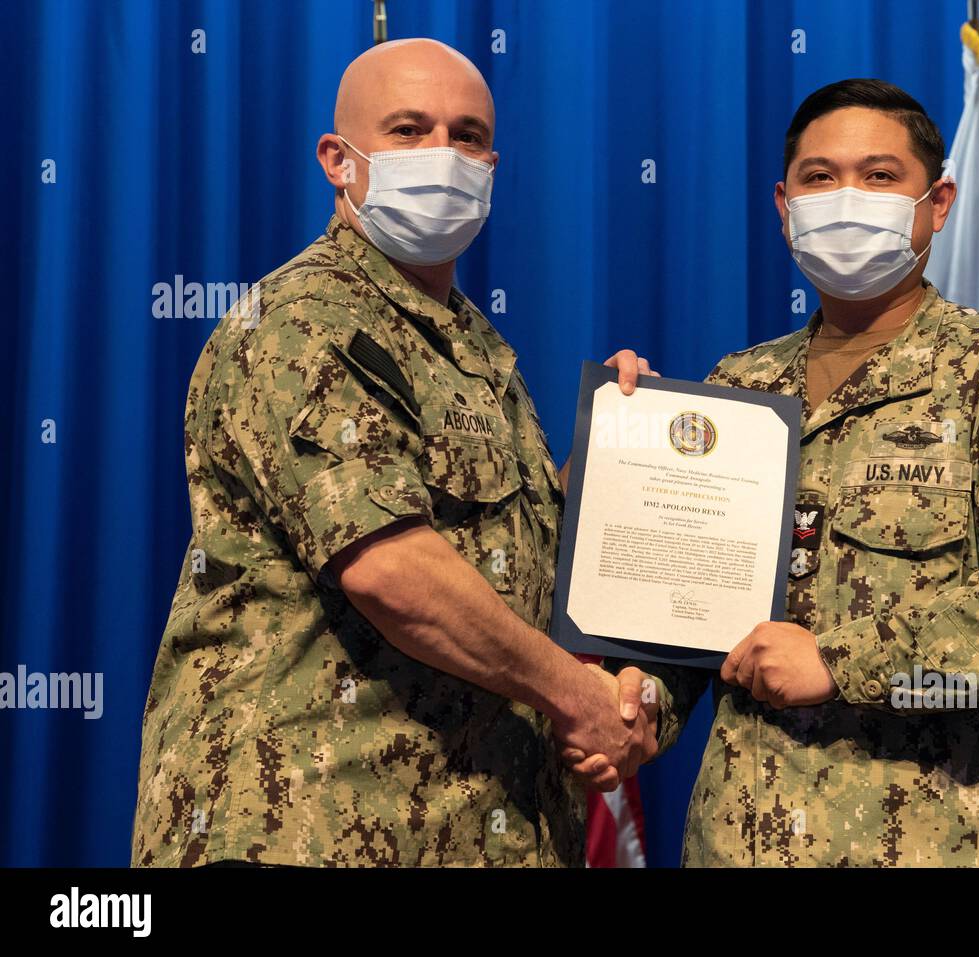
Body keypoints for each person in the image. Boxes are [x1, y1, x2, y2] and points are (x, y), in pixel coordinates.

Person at [132, 38, 654, 868]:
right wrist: (576, 694)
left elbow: (510, 560)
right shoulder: (305, 320)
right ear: (340, 160)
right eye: (409, 130)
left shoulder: (473, 345)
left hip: (462, 826)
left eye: (467, 134)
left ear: (492, 163)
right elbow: (389, 568)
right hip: (308, 825)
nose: (442, 155)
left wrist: (624, 457)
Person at [583, 78, 979, 866]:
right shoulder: (736, 390)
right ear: (783, 204)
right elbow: (692, 627)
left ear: (936, 203)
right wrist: (636, 709)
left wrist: (842, 663)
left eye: (879, 177)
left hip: (953, 846)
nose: (846, 198)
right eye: (819, 177)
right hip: (743, 842)